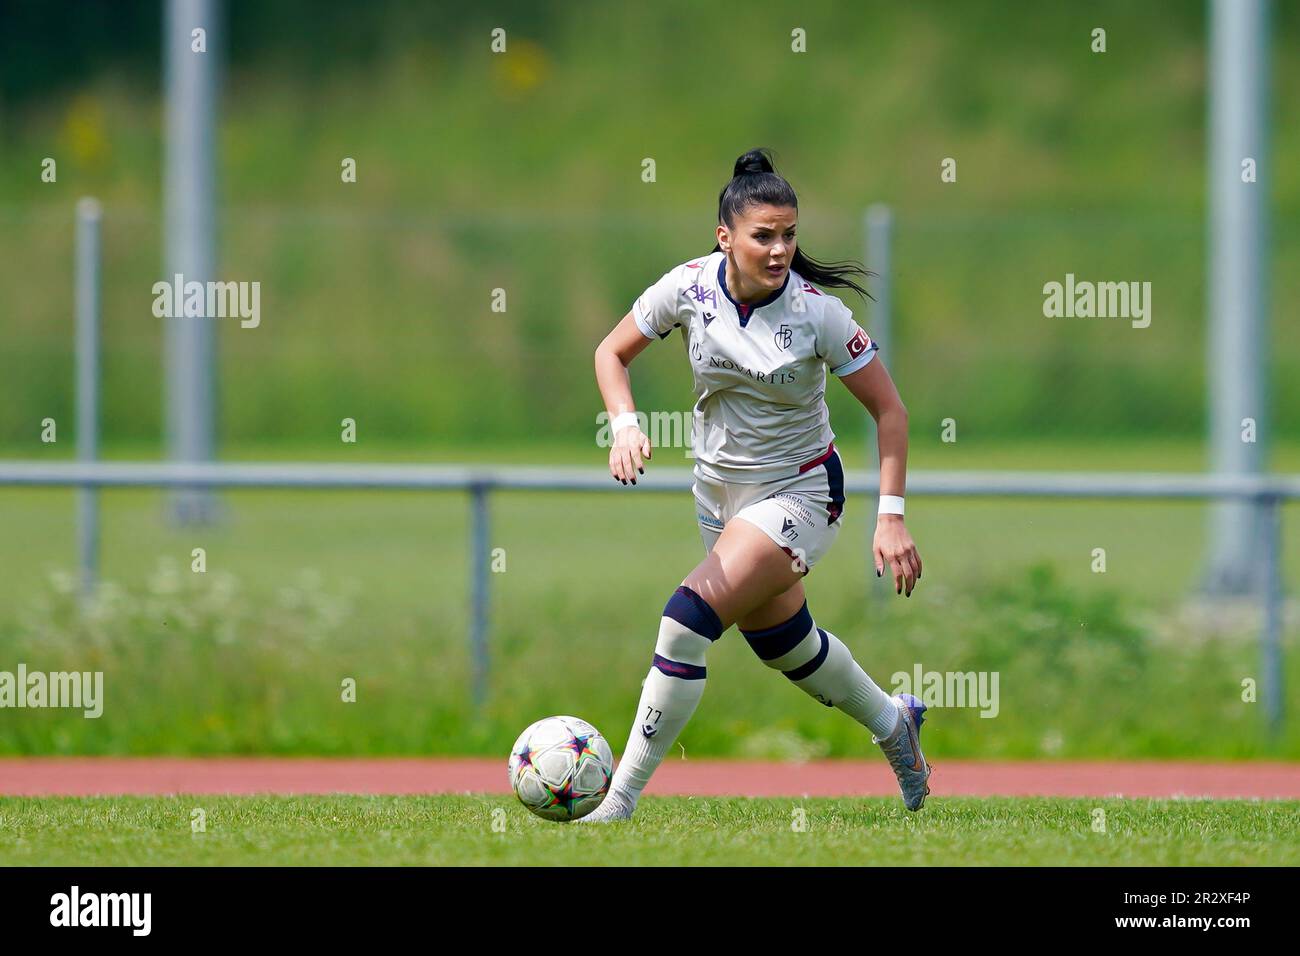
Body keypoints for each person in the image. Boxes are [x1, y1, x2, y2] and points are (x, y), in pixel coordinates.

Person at [585, 148, 929, 822]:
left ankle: (618, 801)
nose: (780, 250)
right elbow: (610, 352)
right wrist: (624, 425)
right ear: (725, 238)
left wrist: (891, 516)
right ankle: (895, 723)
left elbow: (891, 411)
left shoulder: (818, 314)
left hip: (802, 494)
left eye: (790, 234)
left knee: (685, 622)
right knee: (784, 646)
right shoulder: (688, 287)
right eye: (763, 236)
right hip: (719, 495)